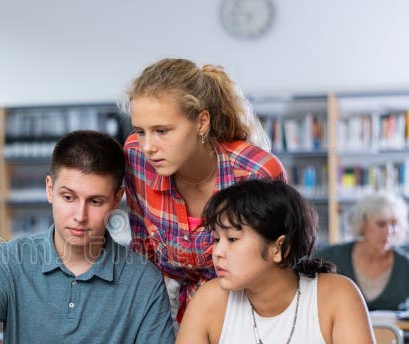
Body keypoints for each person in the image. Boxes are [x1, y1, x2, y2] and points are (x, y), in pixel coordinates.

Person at [0, 130, 175, 344]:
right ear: (50, 189)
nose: (79, 216)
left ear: (117, 200)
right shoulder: (9, 259)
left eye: (95, 201)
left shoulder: (144, 280)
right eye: (68, 198)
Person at [148, 180, 379, 344]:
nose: (217, 253)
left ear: (279, 248)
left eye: (232, 240)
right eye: (216, 239)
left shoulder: (337, 295)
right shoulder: (211, 299)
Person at [123, 58, 287, 325]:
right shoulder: (136, 158)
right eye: (140, 131)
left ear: (201, 123)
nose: (148, 146)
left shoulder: (256, 173)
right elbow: (144, 256)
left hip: (251, 318)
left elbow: (278, 272)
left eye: (162, 131)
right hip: (176, 317)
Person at [317, 192, 409, 314]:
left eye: (394, 224)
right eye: (381, 224)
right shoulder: (331, 256)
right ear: (363, 225)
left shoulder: (406, 264)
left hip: (393, 332)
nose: (389, 231)